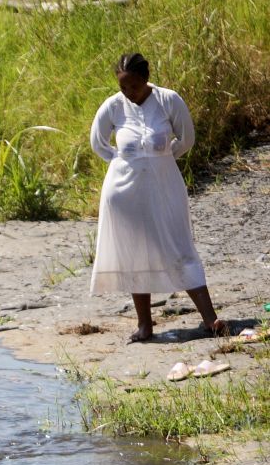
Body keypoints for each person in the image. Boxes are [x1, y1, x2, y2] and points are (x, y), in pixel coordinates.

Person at [89, 53, 226, 342]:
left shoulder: (168, 100)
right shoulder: (113, 106)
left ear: (145, 78)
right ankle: (144, 326)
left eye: (133, 86)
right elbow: (97, 143)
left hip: (164, 188)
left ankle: (211, 320)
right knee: (135, 253)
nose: (128, 92)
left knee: (180, 246)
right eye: (123, 86)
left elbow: (185, 139)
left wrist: (162, 159)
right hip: (124, 193)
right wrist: (122, 160)